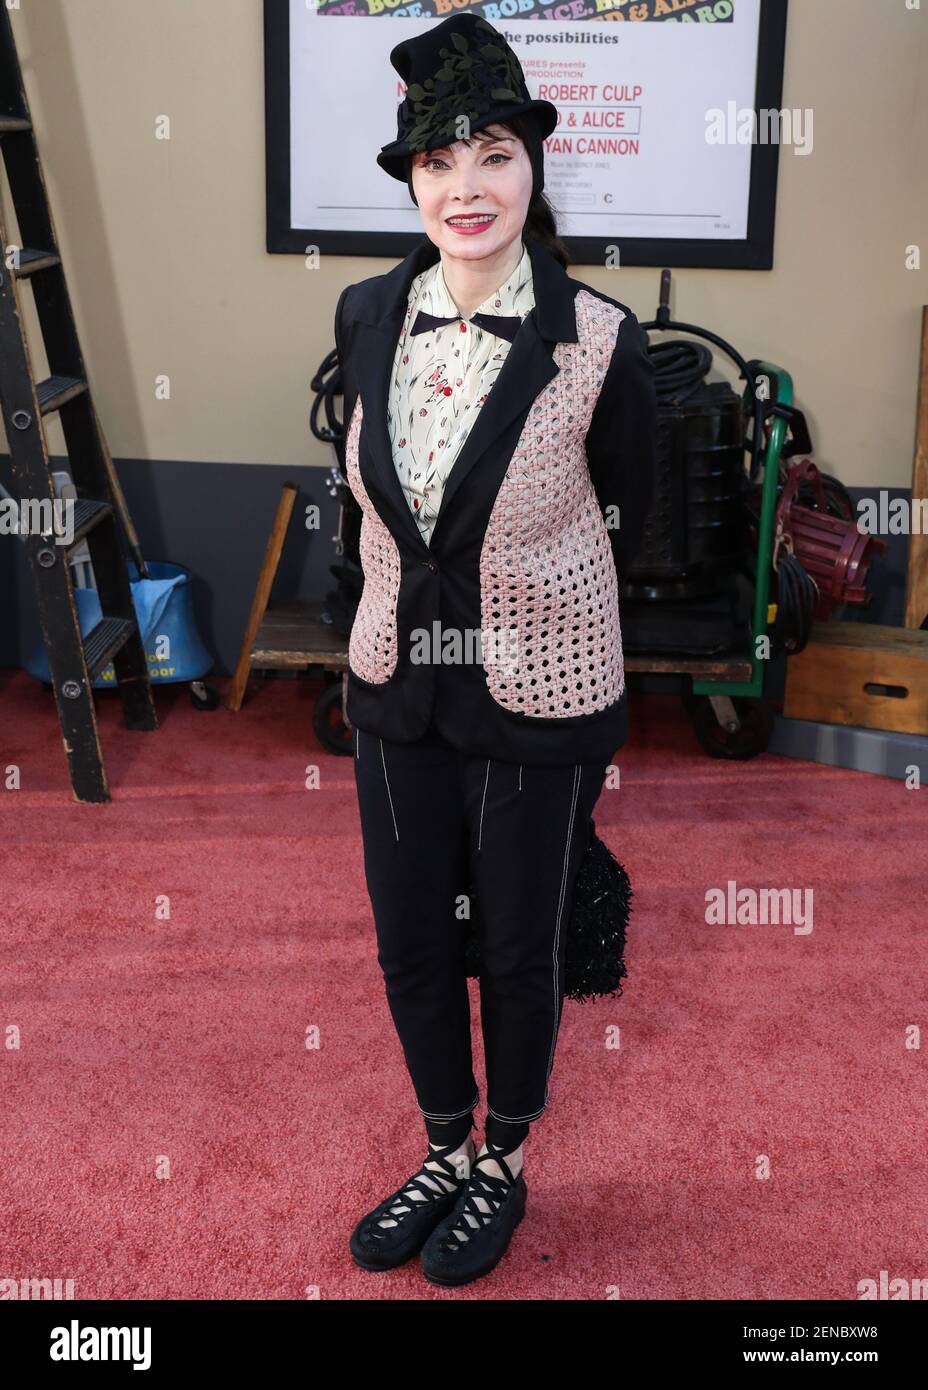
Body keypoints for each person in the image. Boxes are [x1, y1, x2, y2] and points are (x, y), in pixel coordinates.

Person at [335, 12, 657, 1288]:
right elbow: (366, 504)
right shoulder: (366, 314)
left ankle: (503, 1157)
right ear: (412, 182)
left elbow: (634, 523)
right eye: (435, 165)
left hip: (539, 693)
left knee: (517, 943)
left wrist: (537, 600)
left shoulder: (600, 338)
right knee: (411, 936)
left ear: (533, 168)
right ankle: (438, 1142)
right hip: (392, 688)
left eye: (492, 158)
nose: (463, 190)